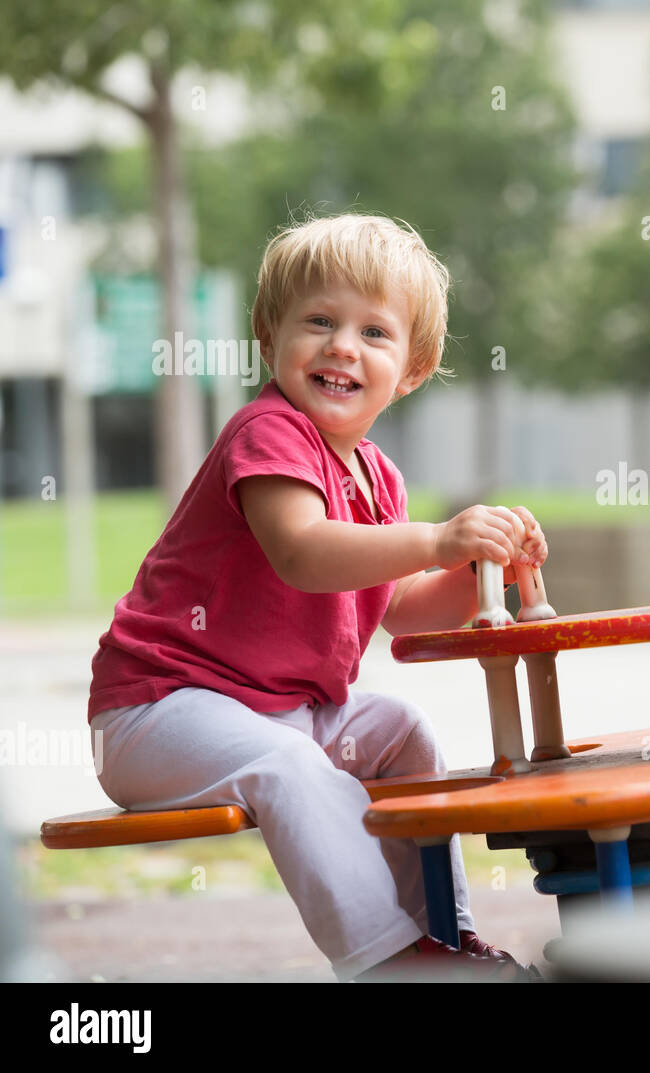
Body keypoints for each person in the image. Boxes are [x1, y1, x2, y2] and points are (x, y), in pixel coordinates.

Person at [87, 213, 546, 981]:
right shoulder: (266, 433)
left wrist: (471, 573)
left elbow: (399, 605)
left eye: (374, 332)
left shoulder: (379, 477)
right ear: (269, 338)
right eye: (320, 321)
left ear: (413, 368)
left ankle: (446, 935)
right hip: (156, 710)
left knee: (402, 729)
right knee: (290, 764)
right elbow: (302, 552)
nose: (341, 346)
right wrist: (438, 536)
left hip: (276, 710)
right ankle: (393, 962)